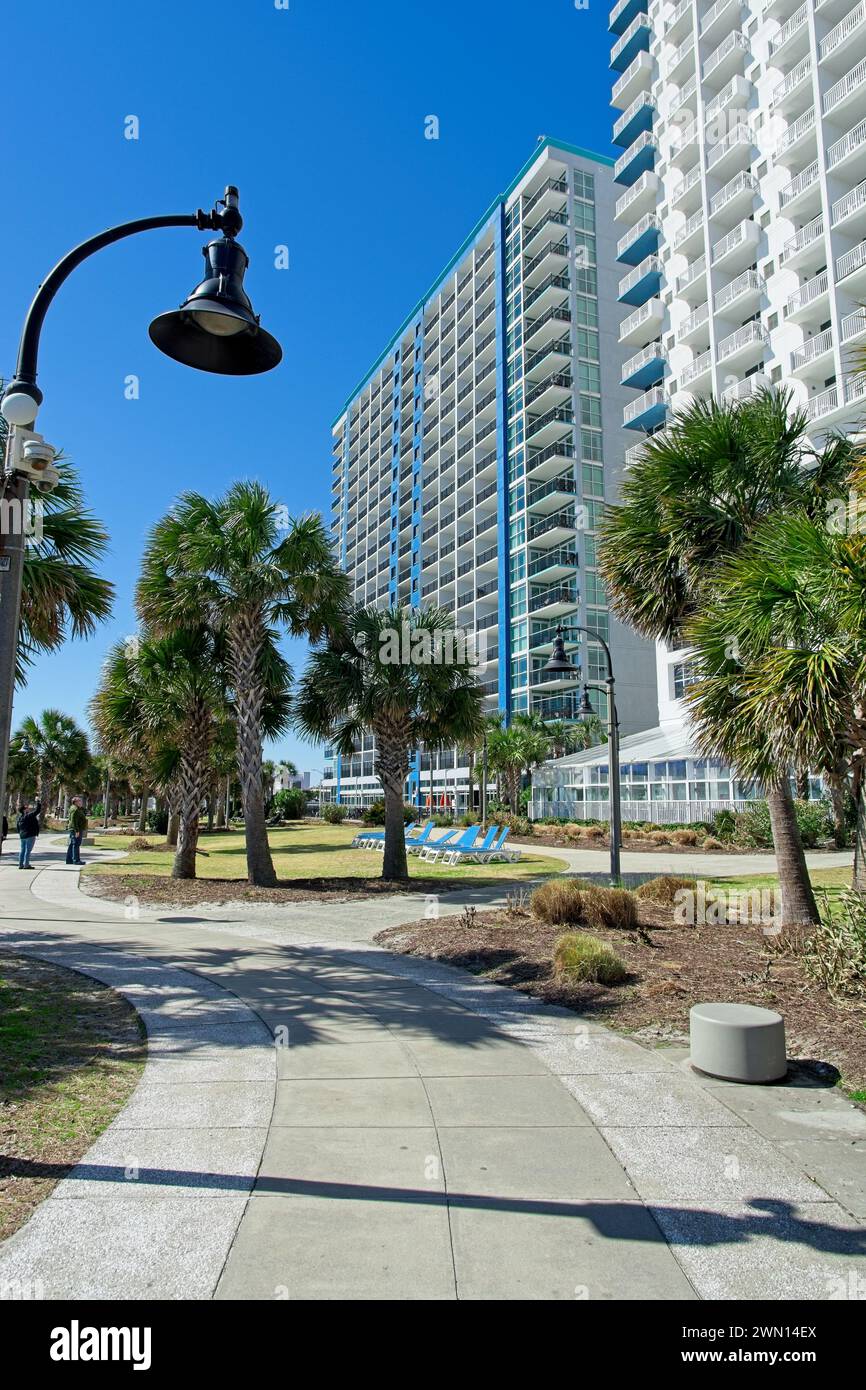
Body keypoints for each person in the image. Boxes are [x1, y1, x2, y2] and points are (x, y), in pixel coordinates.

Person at [16, 803, 40, 869]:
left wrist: (20, 833)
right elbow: (37, 811)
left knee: (22, 850)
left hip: (22, 836)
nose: (28, 809)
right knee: (28, 850)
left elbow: (18, 828)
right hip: (30, 835)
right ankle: (26, 865)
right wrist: (38, 802)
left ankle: (21, 864)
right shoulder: (29, 816)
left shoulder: (19, 818)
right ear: (24, 810)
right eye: (26, 808)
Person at [66, 797, 88, 866]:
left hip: (75, 829)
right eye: (79, 801)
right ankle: (76, 860)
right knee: (76, 844)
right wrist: (77, 831)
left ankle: (69, 860)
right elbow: (73, 821)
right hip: (76, 829)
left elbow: (84, 812)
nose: (81, 802)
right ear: (75, 802)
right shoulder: (75, 809)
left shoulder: (76, 808)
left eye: (81, 801)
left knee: (72, 844)